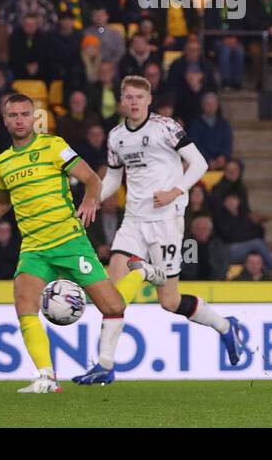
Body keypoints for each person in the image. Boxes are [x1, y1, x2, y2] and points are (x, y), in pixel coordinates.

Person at [0, 93, 129, 393]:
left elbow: (92, 178)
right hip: (34, 247)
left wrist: (90, 199)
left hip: (70, 242)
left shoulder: (53, 146)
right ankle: (46, 377)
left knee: (113, 305)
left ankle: (141, 274)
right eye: (13, 115)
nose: (19, 120)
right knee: (23, 302)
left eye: (24, 114)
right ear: (4, 120)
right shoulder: (3, 162)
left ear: (34, 118)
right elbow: (2, 202)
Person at [94, 76, 245, 379]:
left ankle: (225, 325)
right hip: (134, 220)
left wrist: (175, 191)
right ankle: (105, 366)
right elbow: (113, 177)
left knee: (169, 301)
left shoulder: (165, 127)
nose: (134, 102)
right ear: (122, 101)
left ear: (149, 100)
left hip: (166, 220)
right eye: (129, 97)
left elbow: (199, 164)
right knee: (110, 292)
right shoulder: (115, 136)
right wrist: (92, 199)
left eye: (139, 96)